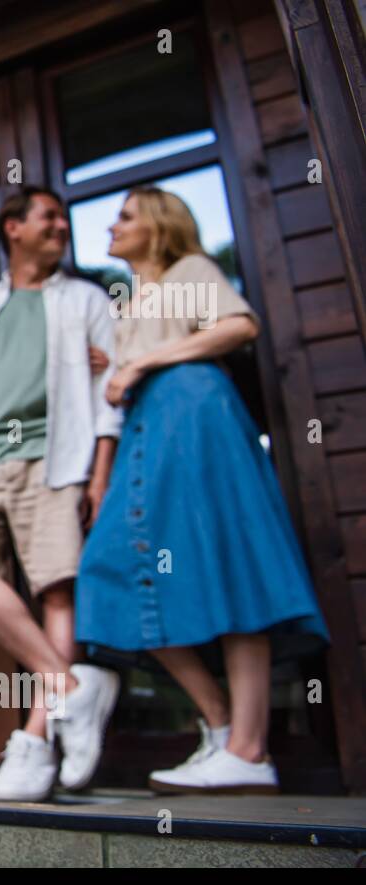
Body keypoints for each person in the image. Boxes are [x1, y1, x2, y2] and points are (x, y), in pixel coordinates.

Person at [78, 185, 328, 795]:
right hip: (145, 431)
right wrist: (111, 370)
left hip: (194, 417)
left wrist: (142, 363)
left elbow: (238, 325)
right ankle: (220, 726)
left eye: (127, 216)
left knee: (227, 563)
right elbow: (120, 376)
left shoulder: (188, 270)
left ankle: (247, 748)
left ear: (159, 224)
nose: (114, 225)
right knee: (112, 570)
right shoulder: (127, 301)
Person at [0, 186, 124, 802]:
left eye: (64, 218)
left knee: (55, 588)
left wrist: (99, 473)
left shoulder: (86, 298)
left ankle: (36, 740)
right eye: (49, 217)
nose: (61, 226)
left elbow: (108, 391)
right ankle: (71, 686)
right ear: (12, 228)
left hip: (54, 456)